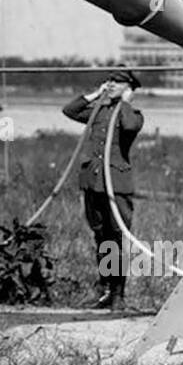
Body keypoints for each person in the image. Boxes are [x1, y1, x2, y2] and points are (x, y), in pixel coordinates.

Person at [62, 69, 144, 310]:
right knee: (101, 237)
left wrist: (126, 102)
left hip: (116, 185)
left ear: (128, 87)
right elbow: (70, 110)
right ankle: (105, 290)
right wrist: (95, 94)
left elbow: (129, 127)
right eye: (109, 80)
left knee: (117, 239)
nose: (111, 84)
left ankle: (118, 294)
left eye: (117, 81)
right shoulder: (99, 110)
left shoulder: (133, 114)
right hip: (93, 183)